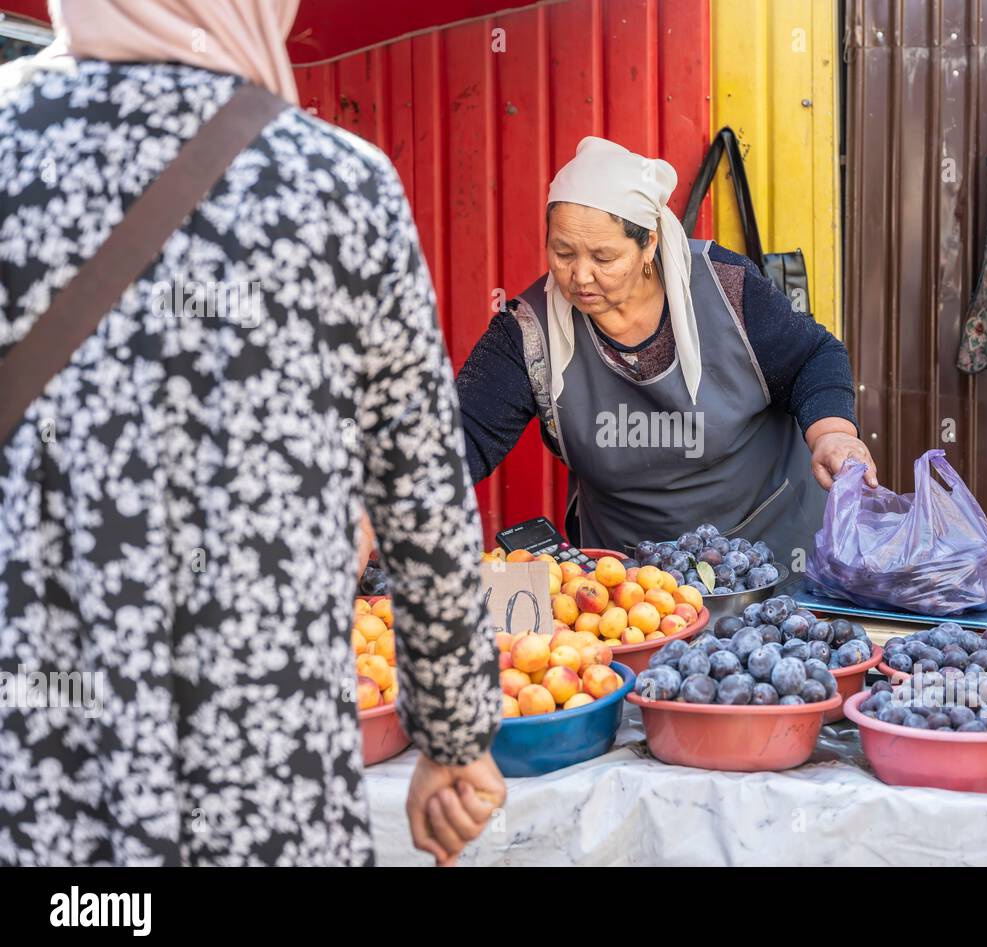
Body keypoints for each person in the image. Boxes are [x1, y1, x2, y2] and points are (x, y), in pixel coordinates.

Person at [0, 0, 503, 866]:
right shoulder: (340, 187)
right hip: (268, 776)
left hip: (33, 772)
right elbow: (424, 505)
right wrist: (456, 743)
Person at [456, 136, 878, 566]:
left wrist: (833, 435)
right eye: (563, 253)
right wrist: (395, 506)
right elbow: (461, 433)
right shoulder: (527, 333)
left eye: (603, 257)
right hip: (631, 582)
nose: (579, 275)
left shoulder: (725, 289)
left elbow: (814, 356)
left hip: (767, 556)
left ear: (649, 245)